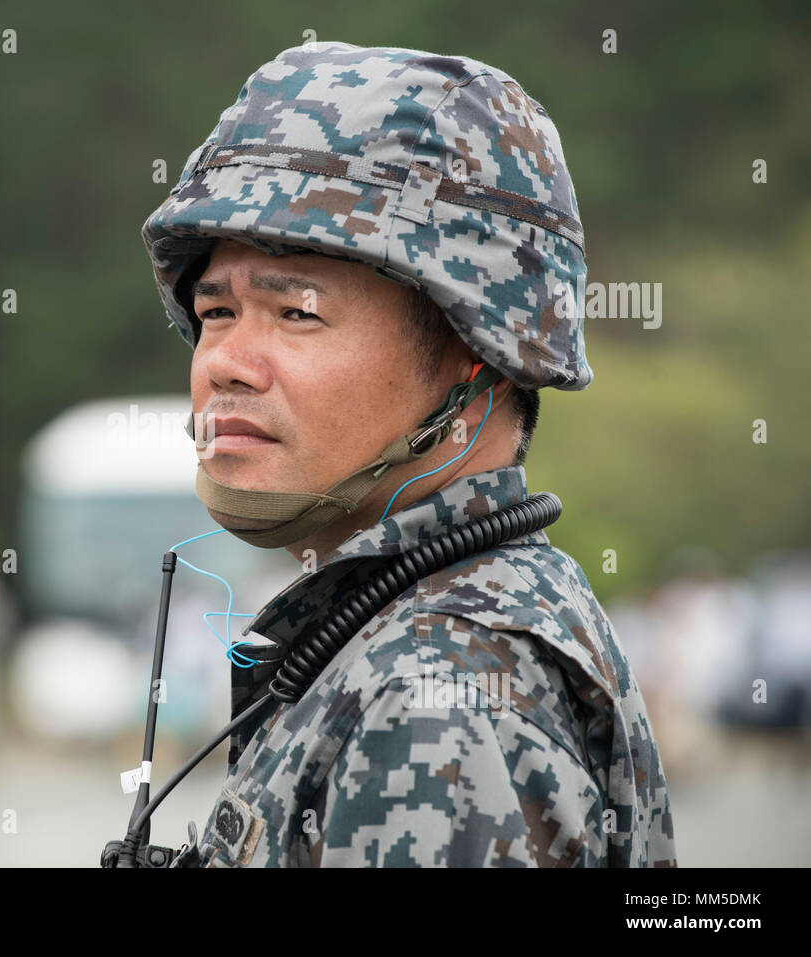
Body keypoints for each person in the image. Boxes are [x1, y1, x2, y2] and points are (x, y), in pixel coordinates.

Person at [139, 42, 676, 867]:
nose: (223, 363)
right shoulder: (413, 626)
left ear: (478, 357)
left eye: (296, 314)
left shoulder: (433, 695)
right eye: (215, 312)